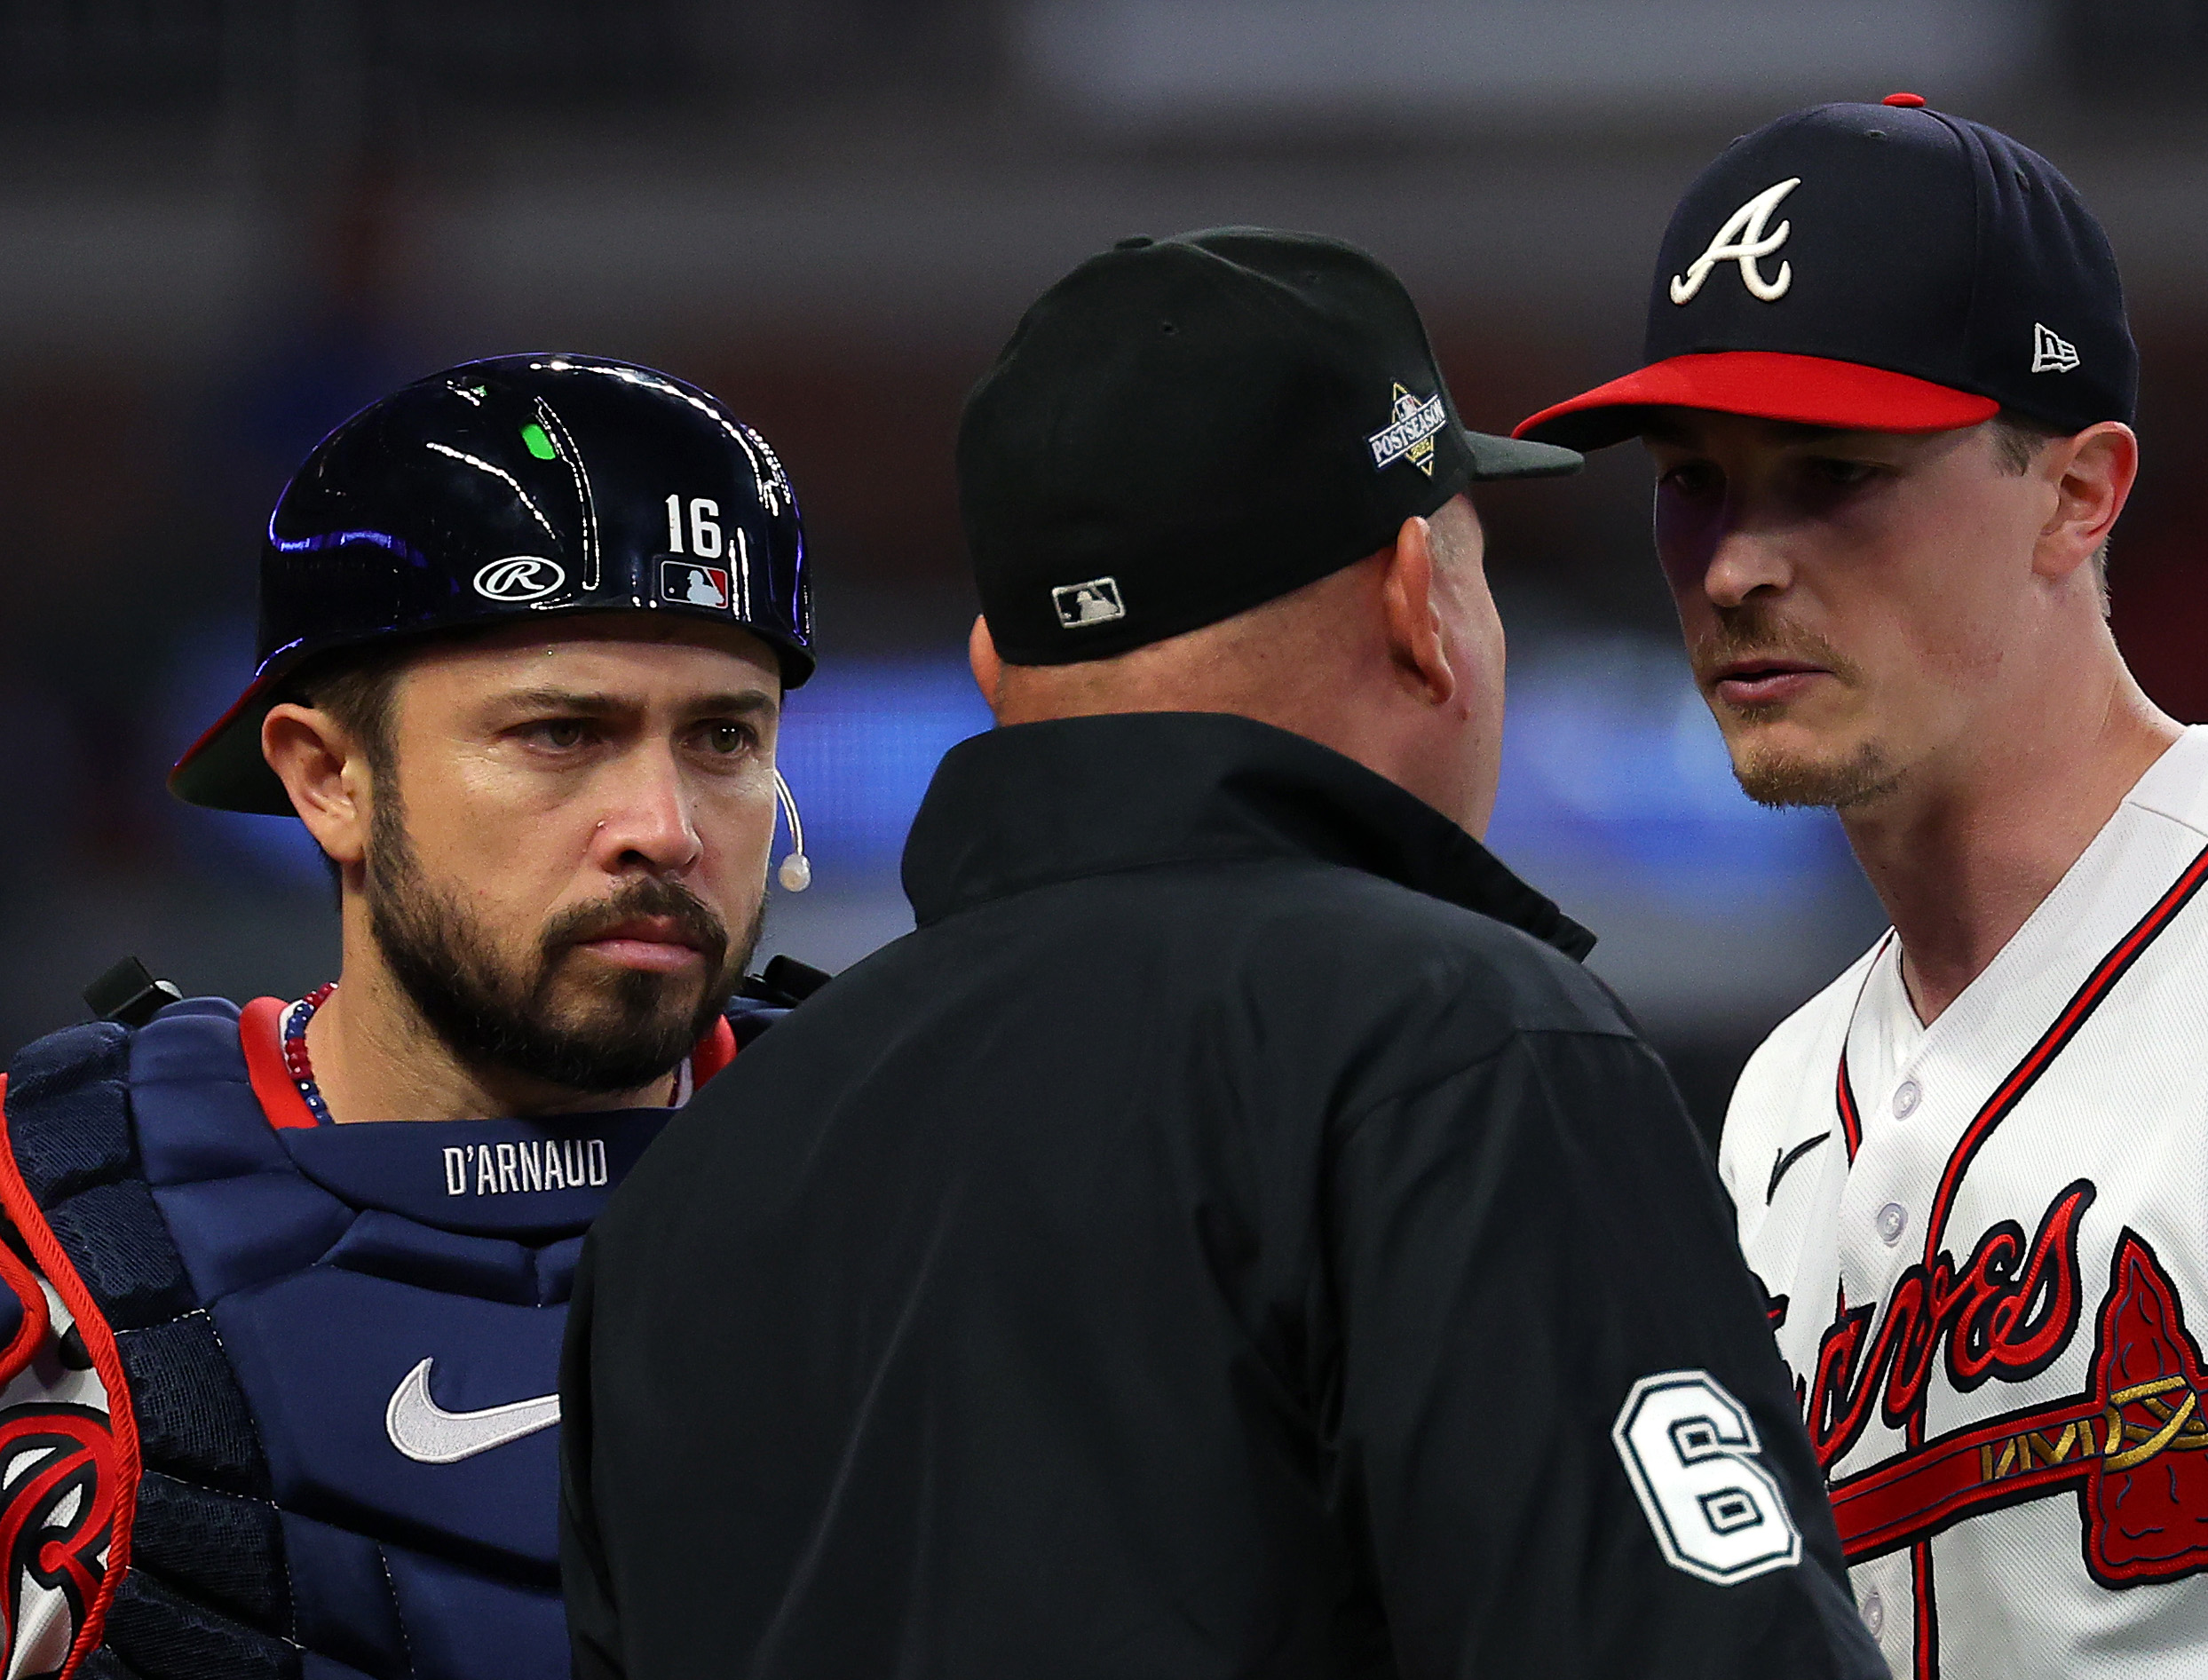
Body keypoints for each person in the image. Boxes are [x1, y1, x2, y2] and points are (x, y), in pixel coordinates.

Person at [559, 227, 1888, 1680]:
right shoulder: (1449, 1046)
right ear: (1417, 604)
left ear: (996, 664)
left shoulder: (695, 1182)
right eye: (1477, 569)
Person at [1514, 95, 2208, 1678]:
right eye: (1691, 479)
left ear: (2077, 492)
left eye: (1831, 474)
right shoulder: (1781, 1103)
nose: (1732, 566)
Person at [0, 353, 821, 1680]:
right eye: (560, 732)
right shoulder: (48, 1225)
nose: (665, 828)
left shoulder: (948, 1178)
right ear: (329, 777)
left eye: (725, 738)